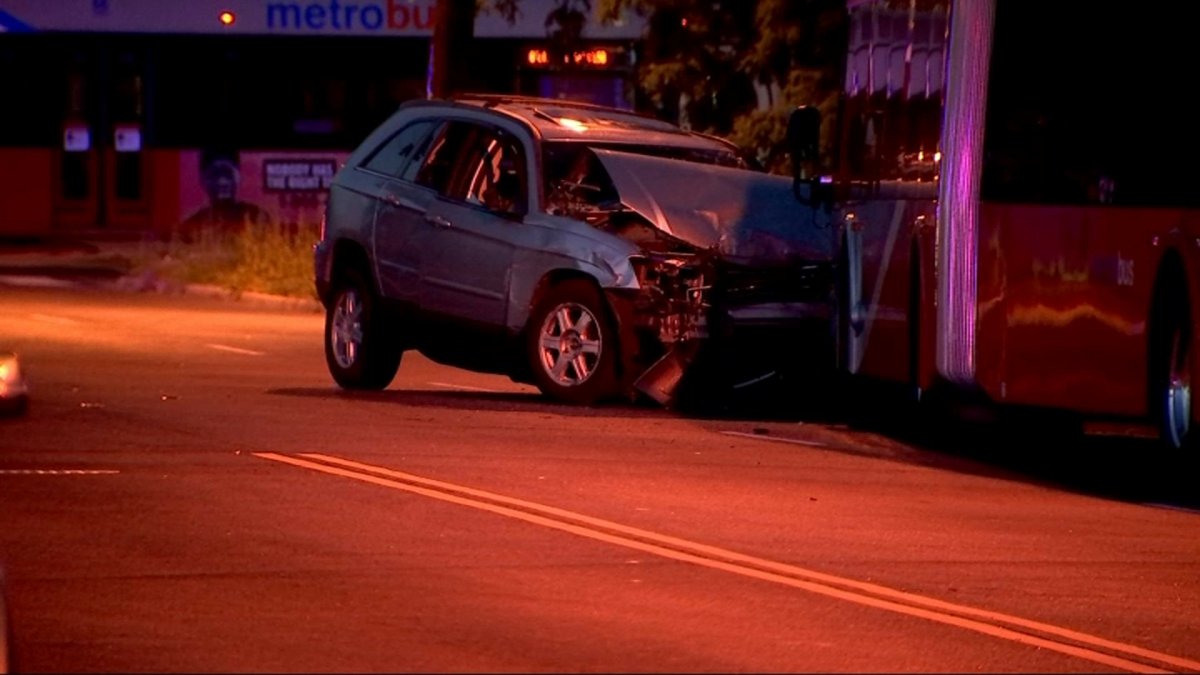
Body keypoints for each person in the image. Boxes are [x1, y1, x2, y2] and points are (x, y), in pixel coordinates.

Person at [177, 149, 271, 240]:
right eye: (214, 174)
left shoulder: (257, 217)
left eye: (228, 173)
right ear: (202, 179)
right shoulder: (191, 225)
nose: (222, 181)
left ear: (239, 176)